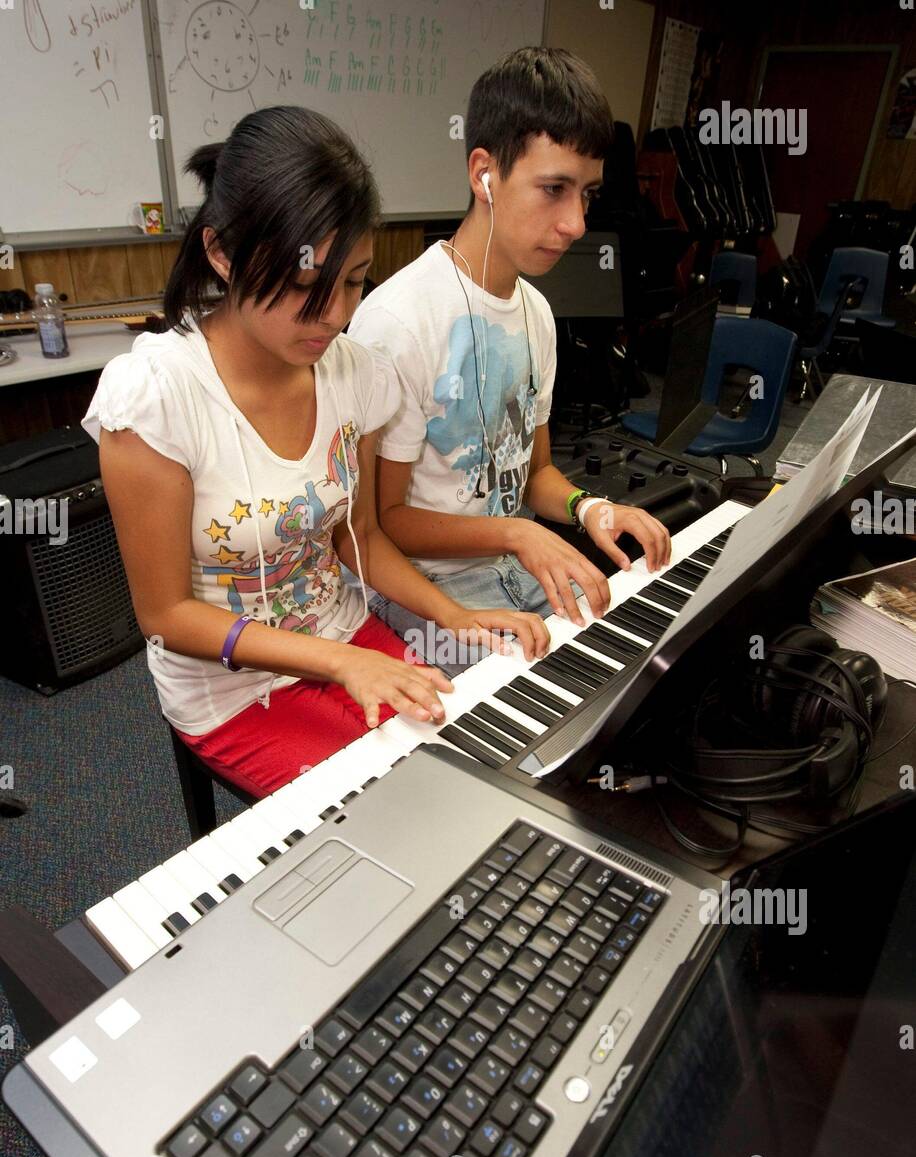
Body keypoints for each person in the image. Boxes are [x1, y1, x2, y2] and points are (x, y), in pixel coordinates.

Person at [82, 107, 548, 798]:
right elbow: (167, 616)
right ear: (220, 253)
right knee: (382, 808)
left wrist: (453, 617)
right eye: (305, 285)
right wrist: (335, 663)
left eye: (355, 281)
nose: (334, 315)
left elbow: (359, 536)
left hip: (342, 632)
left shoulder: (354, 374)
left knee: (464, 777)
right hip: (231, 692)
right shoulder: (154, 397)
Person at [348, 48, 672, 674]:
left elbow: (535, 475)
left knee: (634, 664)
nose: (577, 223)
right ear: (484, 174)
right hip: (423, 588)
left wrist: (591, 509)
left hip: (510, 565)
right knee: (538, 728)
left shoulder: (536, 314)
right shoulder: (398, 322)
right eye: (554, 189)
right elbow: (386, 524)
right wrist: (519, 533)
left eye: (587, 194)